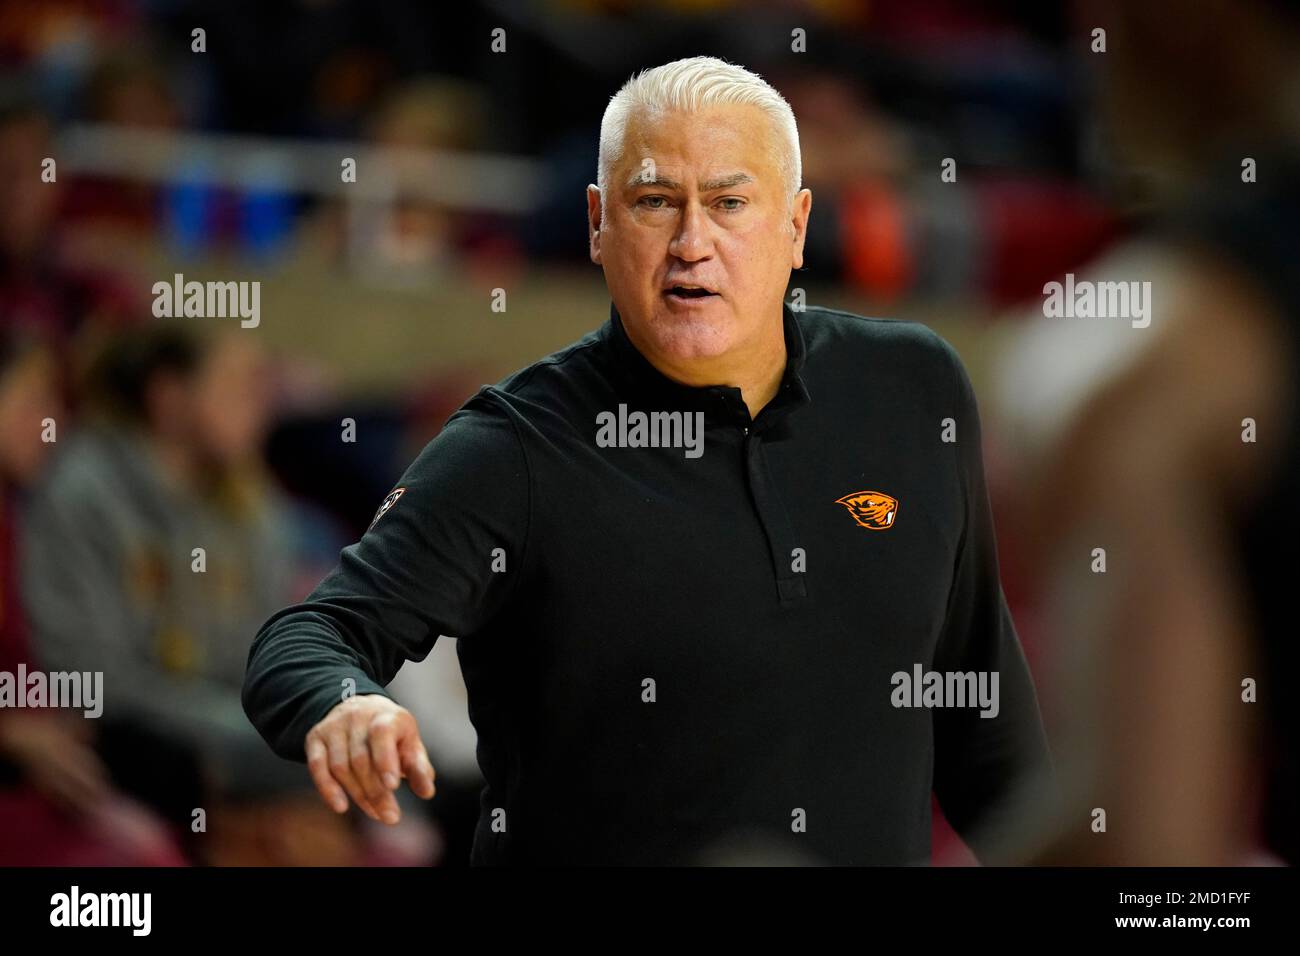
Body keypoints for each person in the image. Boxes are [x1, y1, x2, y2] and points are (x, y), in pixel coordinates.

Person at [243, 56, 1051, 865]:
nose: (692, 243)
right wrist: (347, 705)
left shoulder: (913, 389)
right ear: (598, 222)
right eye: (655, 202)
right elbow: (309, 638)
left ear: (797, 227)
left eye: (730, 203)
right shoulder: (517, 446)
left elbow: (986, 729)